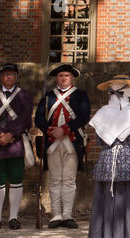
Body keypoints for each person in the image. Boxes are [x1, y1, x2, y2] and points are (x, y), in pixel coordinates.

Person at [87, 76, 130, 238]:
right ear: (128, 92)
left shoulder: (102, 113)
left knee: (107, 200)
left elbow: (99, 140)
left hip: (107, 157)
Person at [35, 64, 91, 229]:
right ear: (56, 78)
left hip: (72, 142)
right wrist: (50, 130)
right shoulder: (48, 97)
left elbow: (84, 116)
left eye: (67, 75)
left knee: (68, 180)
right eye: (60, 76)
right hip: (53, 143)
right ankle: (56, 215)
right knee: (54, 180)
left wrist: (65, 129)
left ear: (72, 78)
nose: (63, 78)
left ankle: (67, 215)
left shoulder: (80, 95)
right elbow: (38, 118)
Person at [0, 63, 34, 230]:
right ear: (1, 77)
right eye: (5, 74)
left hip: (15, 143)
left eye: (11, 74)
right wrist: (0, 134)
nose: (8, 77)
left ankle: (13, 217)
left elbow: (26, 119)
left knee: (17, 180)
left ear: (16, 76)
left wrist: (11, 134)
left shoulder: (24, 95)